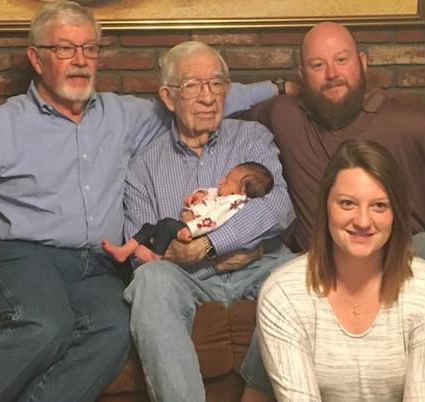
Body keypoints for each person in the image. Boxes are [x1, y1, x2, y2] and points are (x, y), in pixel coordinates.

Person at [0, 1, 279, 400]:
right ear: (36, 59)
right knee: (44, 325)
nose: (79, 59)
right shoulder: (2, 124)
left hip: (97, 265)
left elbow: (204, 99)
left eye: (89, 48)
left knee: (113, 332)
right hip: (25, 257)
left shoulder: (124, 115)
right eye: (64, 48)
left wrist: (280, 85)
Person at [239, 21, 425, 401]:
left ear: (363, 63)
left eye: (342, 60)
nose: (332, 73)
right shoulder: (283, 114)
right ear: (301, 77)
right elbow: (212, 106)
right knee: (281, 284)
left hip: (405, 244)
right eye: (318, 65)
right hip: (320, 252)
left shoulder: (412, 120)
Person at [121, 40, 295, 402]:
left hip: (258, 264)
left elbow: (280, 206)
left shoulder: (252, 138)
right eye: (192, 86)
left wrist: (211, 245)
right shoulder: (144, 166)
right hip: (188, 279)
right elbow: (140, 250)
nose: (207, 97)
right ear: (169, 98)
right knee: (150, 280)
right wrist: (205, 259)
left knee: (307, 278)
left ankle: (256, 393)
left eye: (216, 84)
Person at [258, 139, 425, 401]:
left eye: (379, 205)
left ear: (395, 213)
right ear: (326, 208)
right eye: (347, 204)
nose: (363, 221)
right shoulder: (283, 294)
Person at [101, 161, 273, 262]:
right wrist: (200, 194)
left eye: (227, 181)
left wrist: (190, 229)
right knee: (148, 227)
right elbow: (213, 193)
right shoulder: (227, 195)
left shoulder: (234, 203)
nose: (222, 181)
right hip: (190, 227)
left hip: (196, 233)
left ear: (240, 194)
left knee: (166, 224)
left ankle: (156, 258)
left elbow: (214, 219)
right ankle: (125, 251)